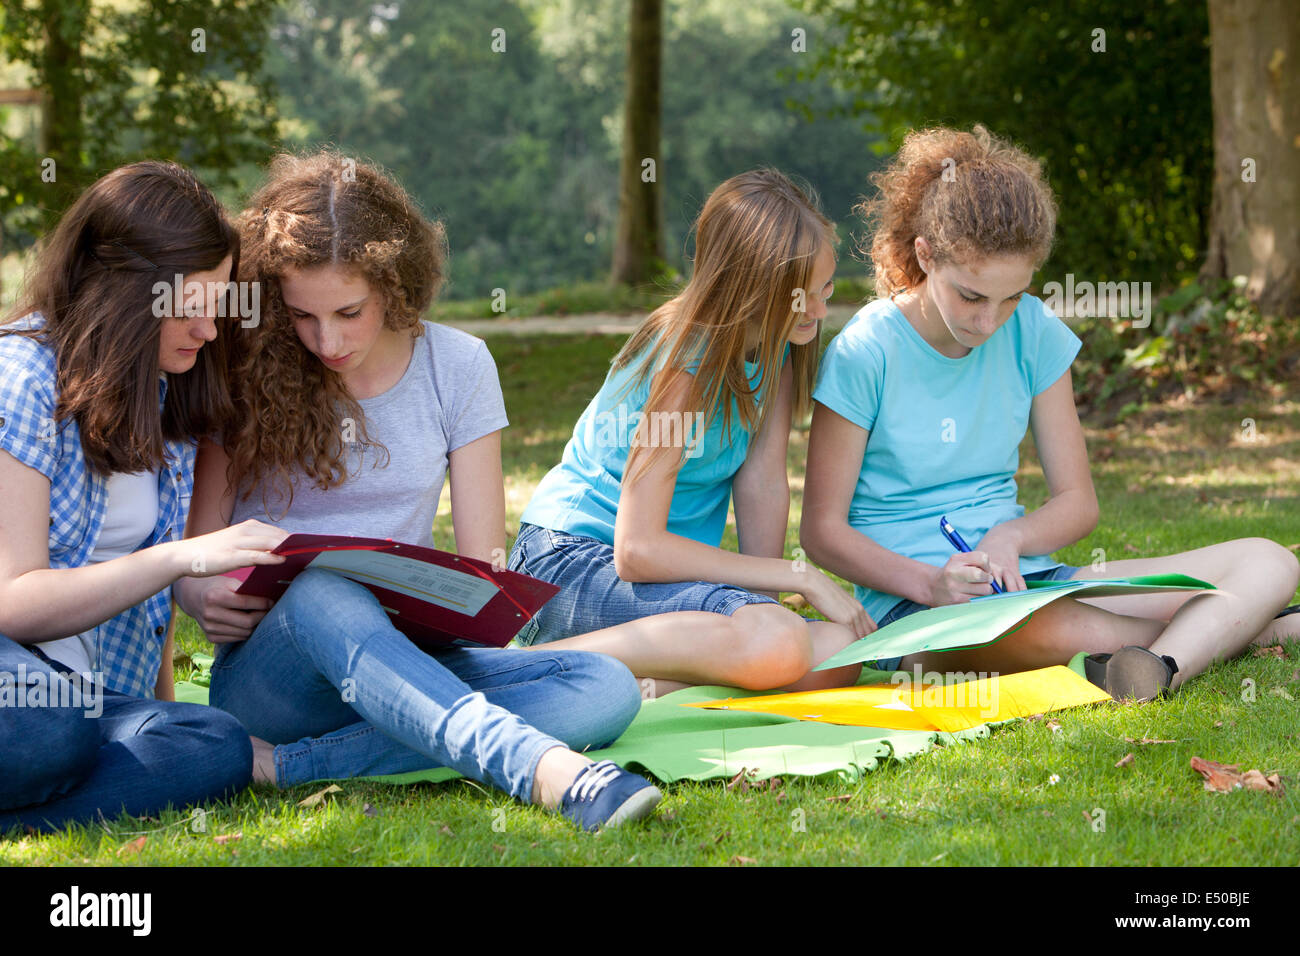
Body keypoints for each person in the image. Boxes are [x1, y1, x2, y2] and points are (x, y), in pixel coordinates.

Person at [178, 152, 660, 832]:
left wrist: (470, 601)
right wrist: (204, 594)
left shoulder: (458, 365)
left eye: (349, 311)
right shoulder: (244, 367)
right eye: (302, 316)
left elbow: (484, 565)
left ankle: (286, 768)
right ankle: (550, 773)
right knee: (323, 588)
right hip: (276, 677)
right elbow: (193, 553)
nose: (327, 340)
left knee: (604, 688)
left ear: (394, 282)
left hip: (412, 658)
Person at [800, 125, 1300, 701]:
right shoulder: (867, 350)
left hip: (1034, 582)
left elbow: (1076, 503)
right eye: (972, 296)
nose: (990, 322)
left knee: (1267, 561)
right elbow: (821, 531)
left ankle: (1161, 661)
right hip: (918, 608)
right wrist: (929, 582)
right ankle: (1233, 636)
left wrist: (1012, 536)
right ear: (925, 254)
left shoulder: (1033, 332)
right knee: (1061, 628)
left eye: (1012, 297)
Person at [0, 161, 289, 833]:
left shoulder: (162, 392)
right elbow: (12, 602)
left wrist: (170, 714)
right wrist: (179, 559)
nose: (209, 330)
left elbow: (154, 624)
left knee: (212, 743)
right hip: (20, 684)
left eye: (215, 307)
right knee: (48, 727)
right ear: (126, 295)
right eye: (191, 309)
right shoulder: (21, 379)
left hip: (83, 700)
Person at [507, 169, 870, 694]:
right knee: (779, 644)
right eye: (801, 296)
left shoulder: (778, 353)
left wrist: (763, 595)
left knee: (840, 652)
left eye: (826, 289)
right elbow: (636, 550)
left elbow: (763, 480)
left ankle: (641, 685)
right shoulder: (685, 361)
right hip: (570, 564)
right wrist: (797, 576)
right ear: (748, 289)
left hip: (659, 586)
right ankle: (519, 668)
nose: (819, 310)